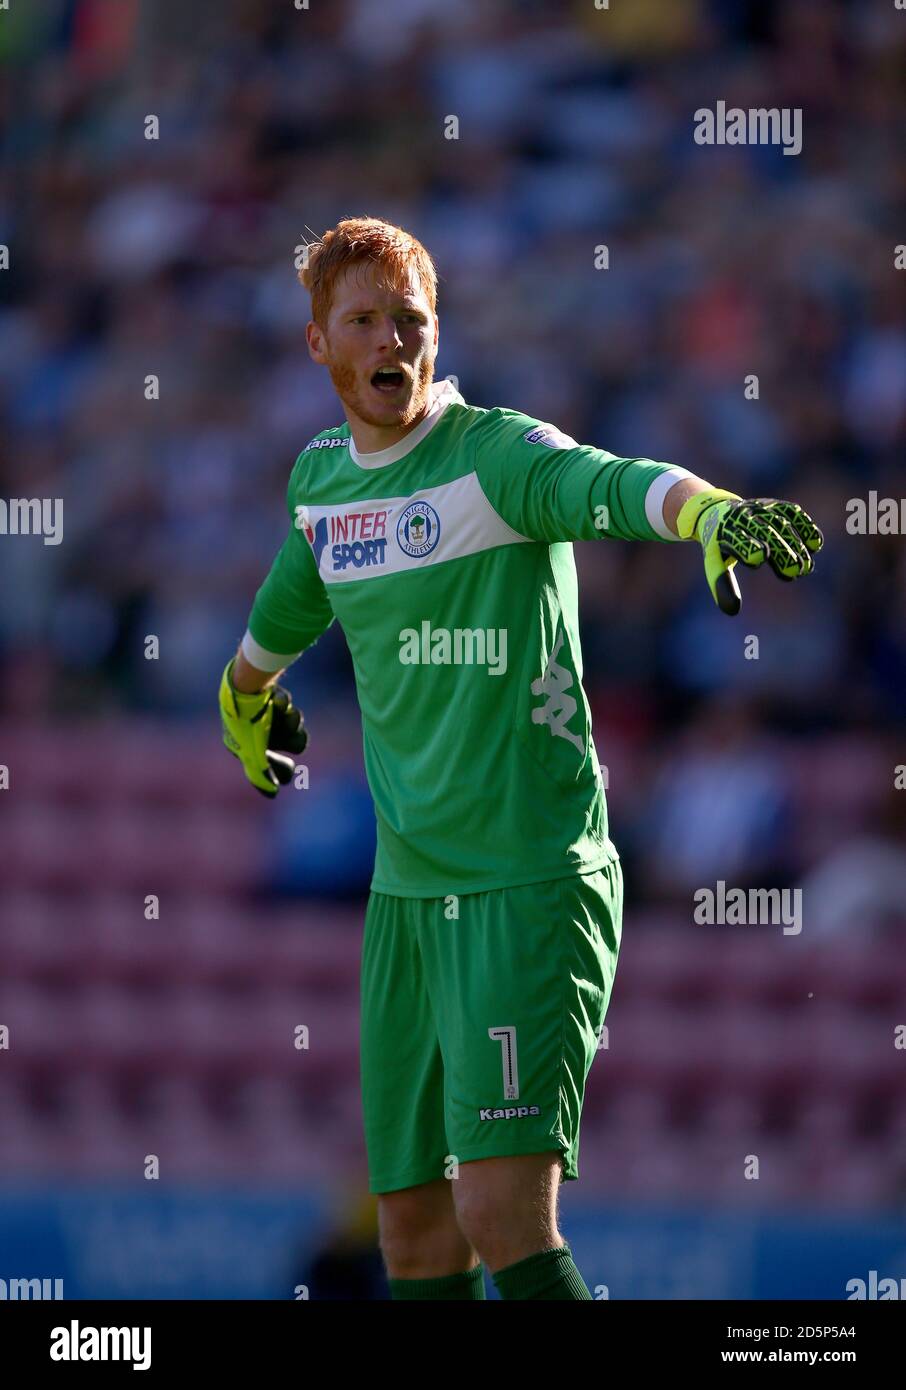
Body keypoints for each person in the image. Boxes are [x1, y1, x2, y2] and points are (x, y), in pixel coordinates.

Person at [219, 216, 823, 1300]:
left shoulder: (497, 459)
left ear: (436, 335)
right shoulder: (322, 483)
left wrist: (712, 515)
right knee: (410, 1237)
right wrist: (243, 690)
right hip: (406, 902)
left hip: (528, 882)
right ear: (320, 343)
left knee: (501, 1214)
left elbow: (618, 483)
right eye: (362, 320)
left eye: (409, 318)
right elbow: (290, 597)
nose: (388, 338)